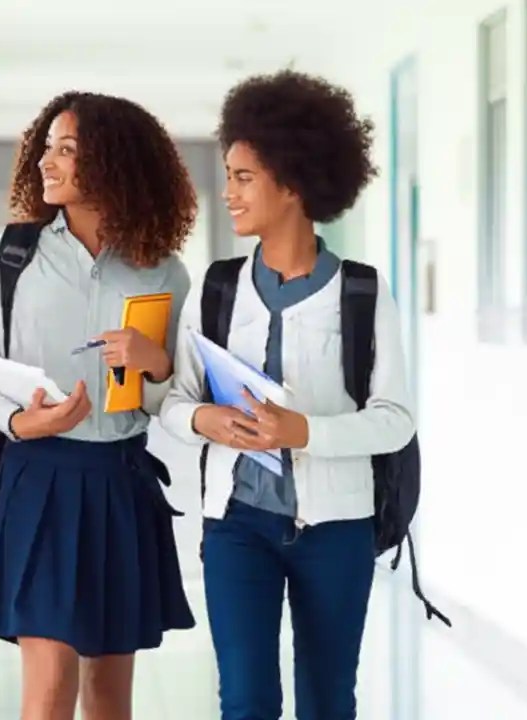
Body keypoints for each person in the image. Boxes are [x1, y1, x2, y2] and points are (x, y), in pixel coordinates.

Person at [160, 70, 415, 720]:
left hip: (337, 530)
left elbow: (395, 420)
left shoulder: (362, 293)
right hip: (237, 525)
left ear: (293, 183)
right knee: (245, 702)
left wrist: (303, 432)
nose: (229, 193)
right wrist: (206, 418)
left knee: (328, 702)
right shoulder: (217, 289)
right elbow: (173, 401)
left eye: (244, 177)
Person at [0, 91, 199, 720]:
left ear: (113, 163)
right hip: (38, 477)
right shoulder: (15, 256)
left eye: (67, 150)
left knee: (110, 698)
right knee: (47, 691)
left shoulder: (163, 271)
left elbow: (170, 399)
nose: (46, 162)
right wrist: (17, 420)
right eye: (47, 148)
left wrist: (156, 365)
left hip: (122, 482)